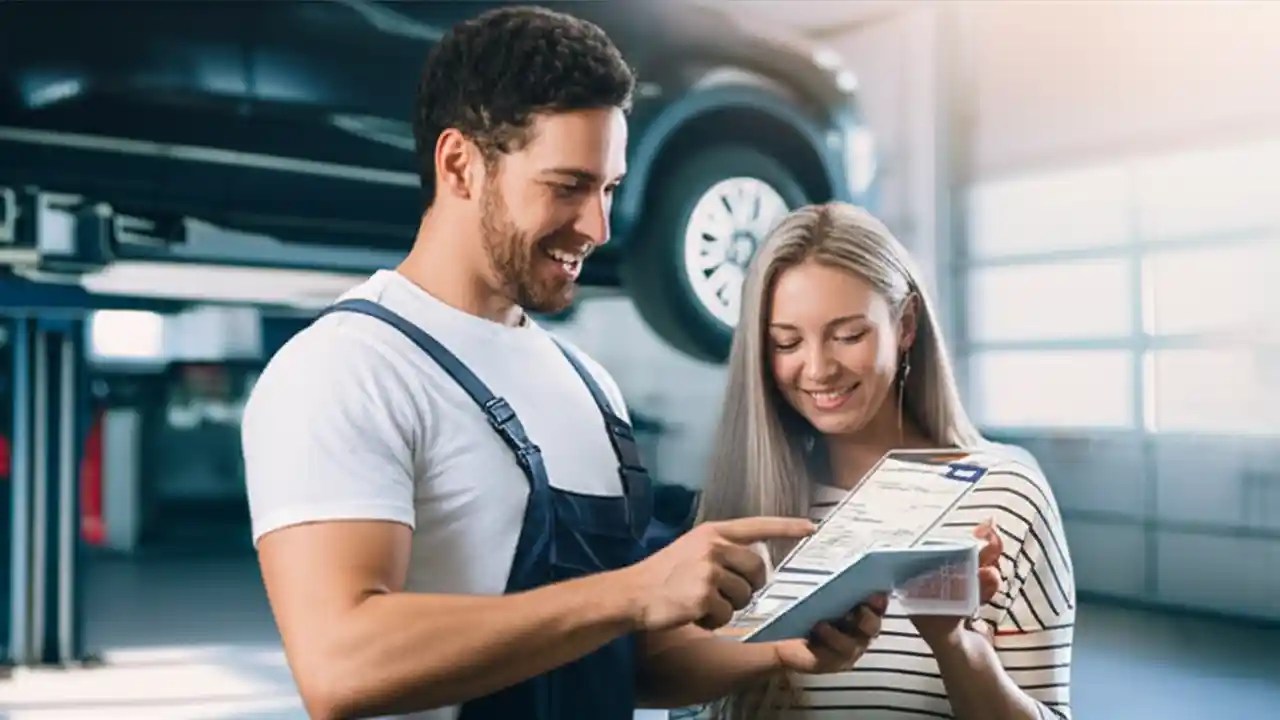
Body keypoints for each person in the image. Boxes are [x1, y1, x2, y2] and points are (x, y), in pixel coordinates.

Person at [241, 7, 885, 720]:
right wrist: (635, 590)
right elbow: (341, 663)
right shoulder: (348, 368)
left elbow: (628, 657)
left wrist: (780, 647)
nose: (599, 228)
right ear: (460, 164)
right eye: (568, 186)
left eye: (608, 189)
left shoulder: (588, 386)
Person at [695, 202, 1076, 719]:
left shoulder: (1005, 495)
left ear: (907, 326)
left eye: (849, 335)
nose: (818, 369)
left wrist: (955, 646)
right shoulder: (747, 505)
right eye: (787, 342)